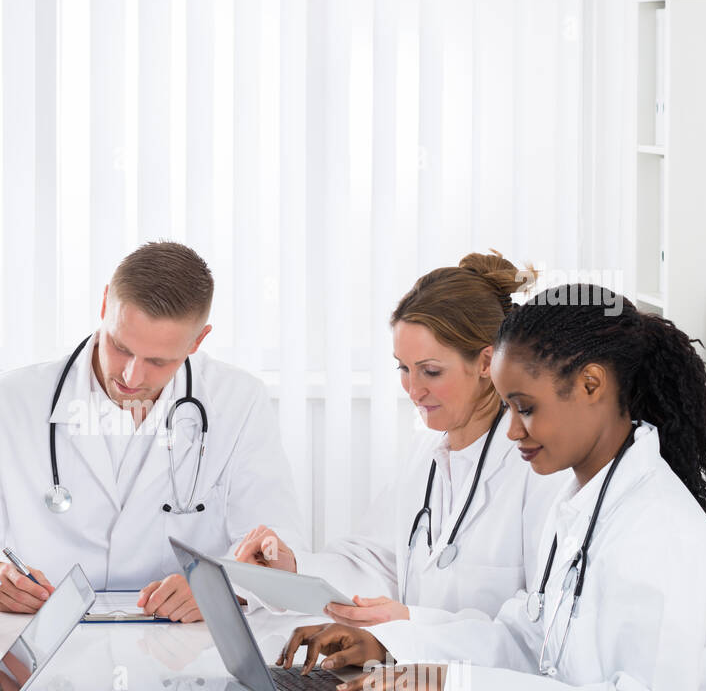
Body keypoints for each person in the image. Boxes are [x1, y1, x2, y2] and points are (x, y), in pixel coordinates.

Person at [278, 285, 706, 691]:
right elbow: (526, 636)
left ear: (591, 385)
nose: (512, 430)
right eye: (508, 407)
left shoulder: (655, 526)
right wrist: (393, 647)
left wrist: (458, 682)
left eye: (526, 407)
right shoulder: (582, 501)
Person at [0, 241, 304, 622]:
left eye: (157, 360)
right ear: (105, 305)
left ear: (198, 341)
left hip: (184, 645)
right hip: (40, 633)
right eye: (121, 347)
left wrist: (221, 587)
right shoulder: (10, 400)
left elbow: (275, 545)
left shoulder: (240, 400)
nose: (132, 376)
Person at [236, 251, 563, 625]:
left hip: (482, 680)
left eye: (431, 371)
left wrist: (412, 625)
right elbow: (376, 562)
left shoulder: (538, 466)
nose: (413, 389)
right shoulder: (426, 454)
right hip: (414, 670)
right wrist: (290, 569)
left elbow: (537, 625)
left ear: (487, 363)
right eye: (403, 368)